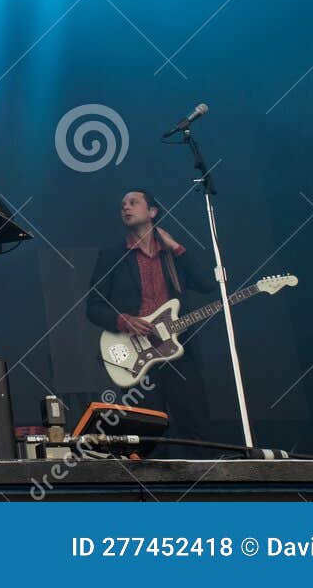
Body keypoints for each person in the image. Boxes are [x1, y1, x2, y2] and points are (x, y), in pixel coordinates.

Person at [85, 189, 217, 442]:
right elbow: (93, 306)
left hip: (178, 350)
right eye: (122, 204)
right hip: (138, 354)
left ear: (153, 212)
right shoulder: (112, 256)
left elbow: (207, 285)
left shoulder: (172, 255)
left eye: (133, 202)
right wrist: (122, 320)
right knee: (147, 430)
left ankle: (202, 478)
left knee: (195, 425)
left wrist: (178, 248)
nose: (125, 207)